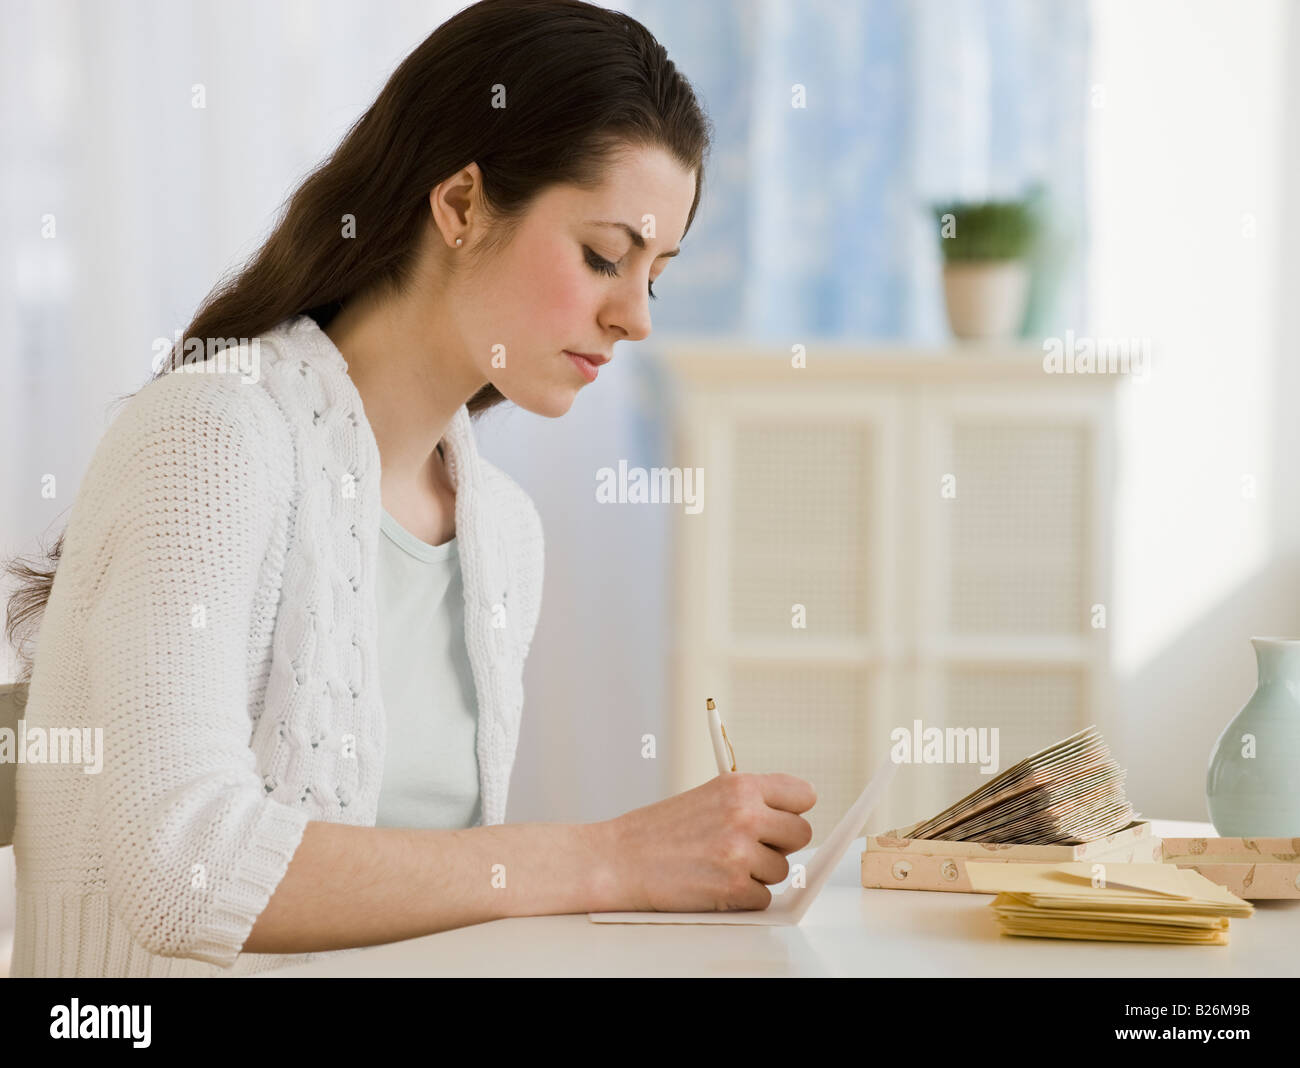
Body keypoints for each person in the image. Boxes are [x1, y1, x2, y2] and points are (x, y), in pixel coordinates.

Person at [2, 0, 815, 978]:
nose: (635, 318)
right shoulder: (211, 441)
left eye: (656, 274)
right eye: (605, 255)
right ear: (462, 205)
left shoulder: (503, 534)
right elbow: (185, 866)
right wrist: (607, 857)